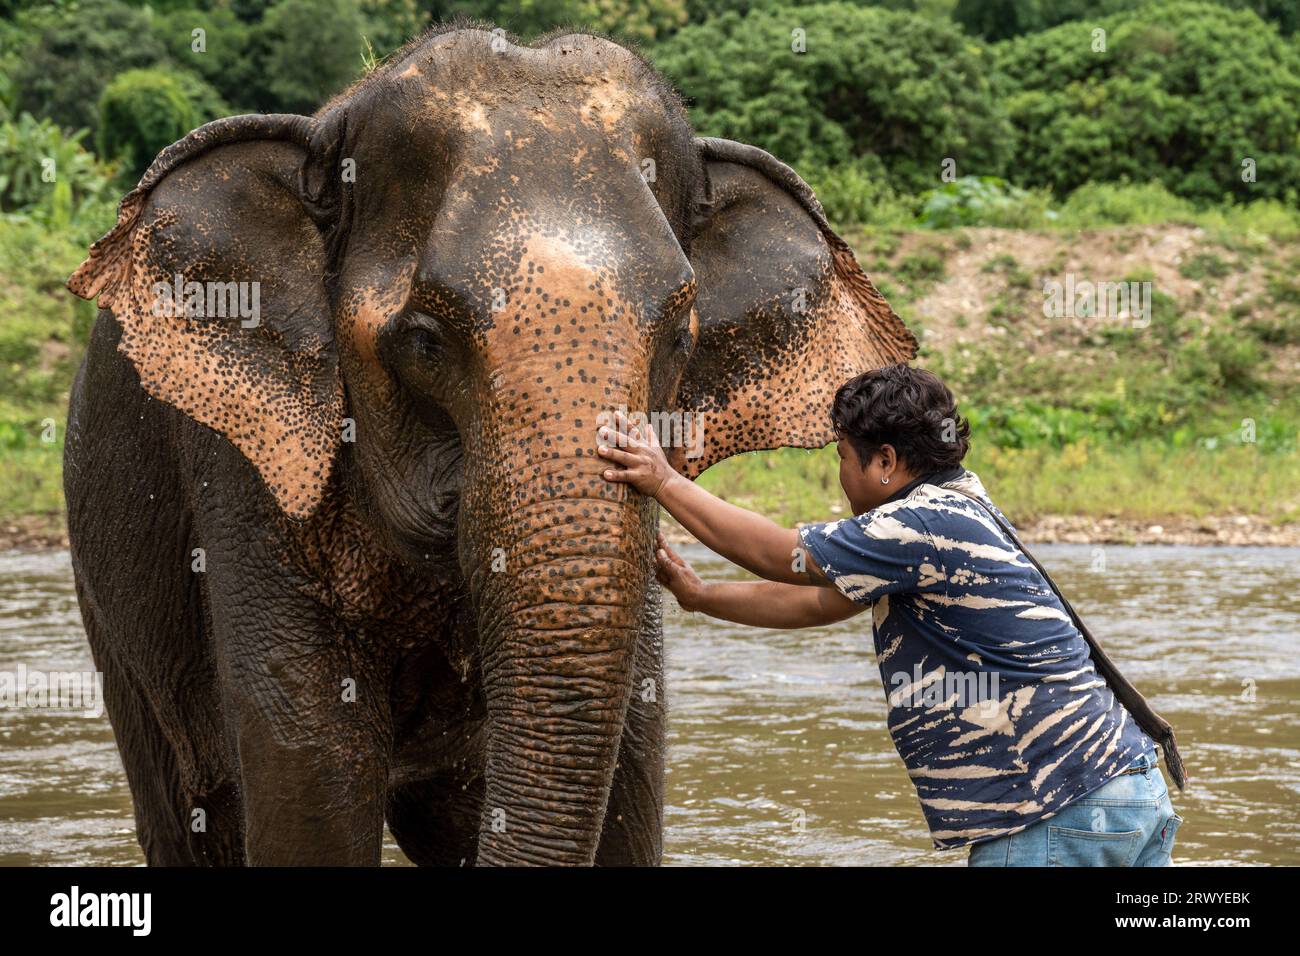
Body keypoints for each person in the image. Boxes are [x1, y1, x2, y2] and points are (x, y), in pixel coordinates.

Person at [597, 364, 1182, 866]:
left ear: (885, 461)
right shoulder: (963, 505)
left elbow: (783, 556)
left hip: (1052, 807)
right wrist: (701, 597)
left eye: (842, 458)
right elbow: (822, 602)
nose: (840, 475)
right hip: (1126, 791)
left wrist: (663, 480)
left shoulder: (919, 523)